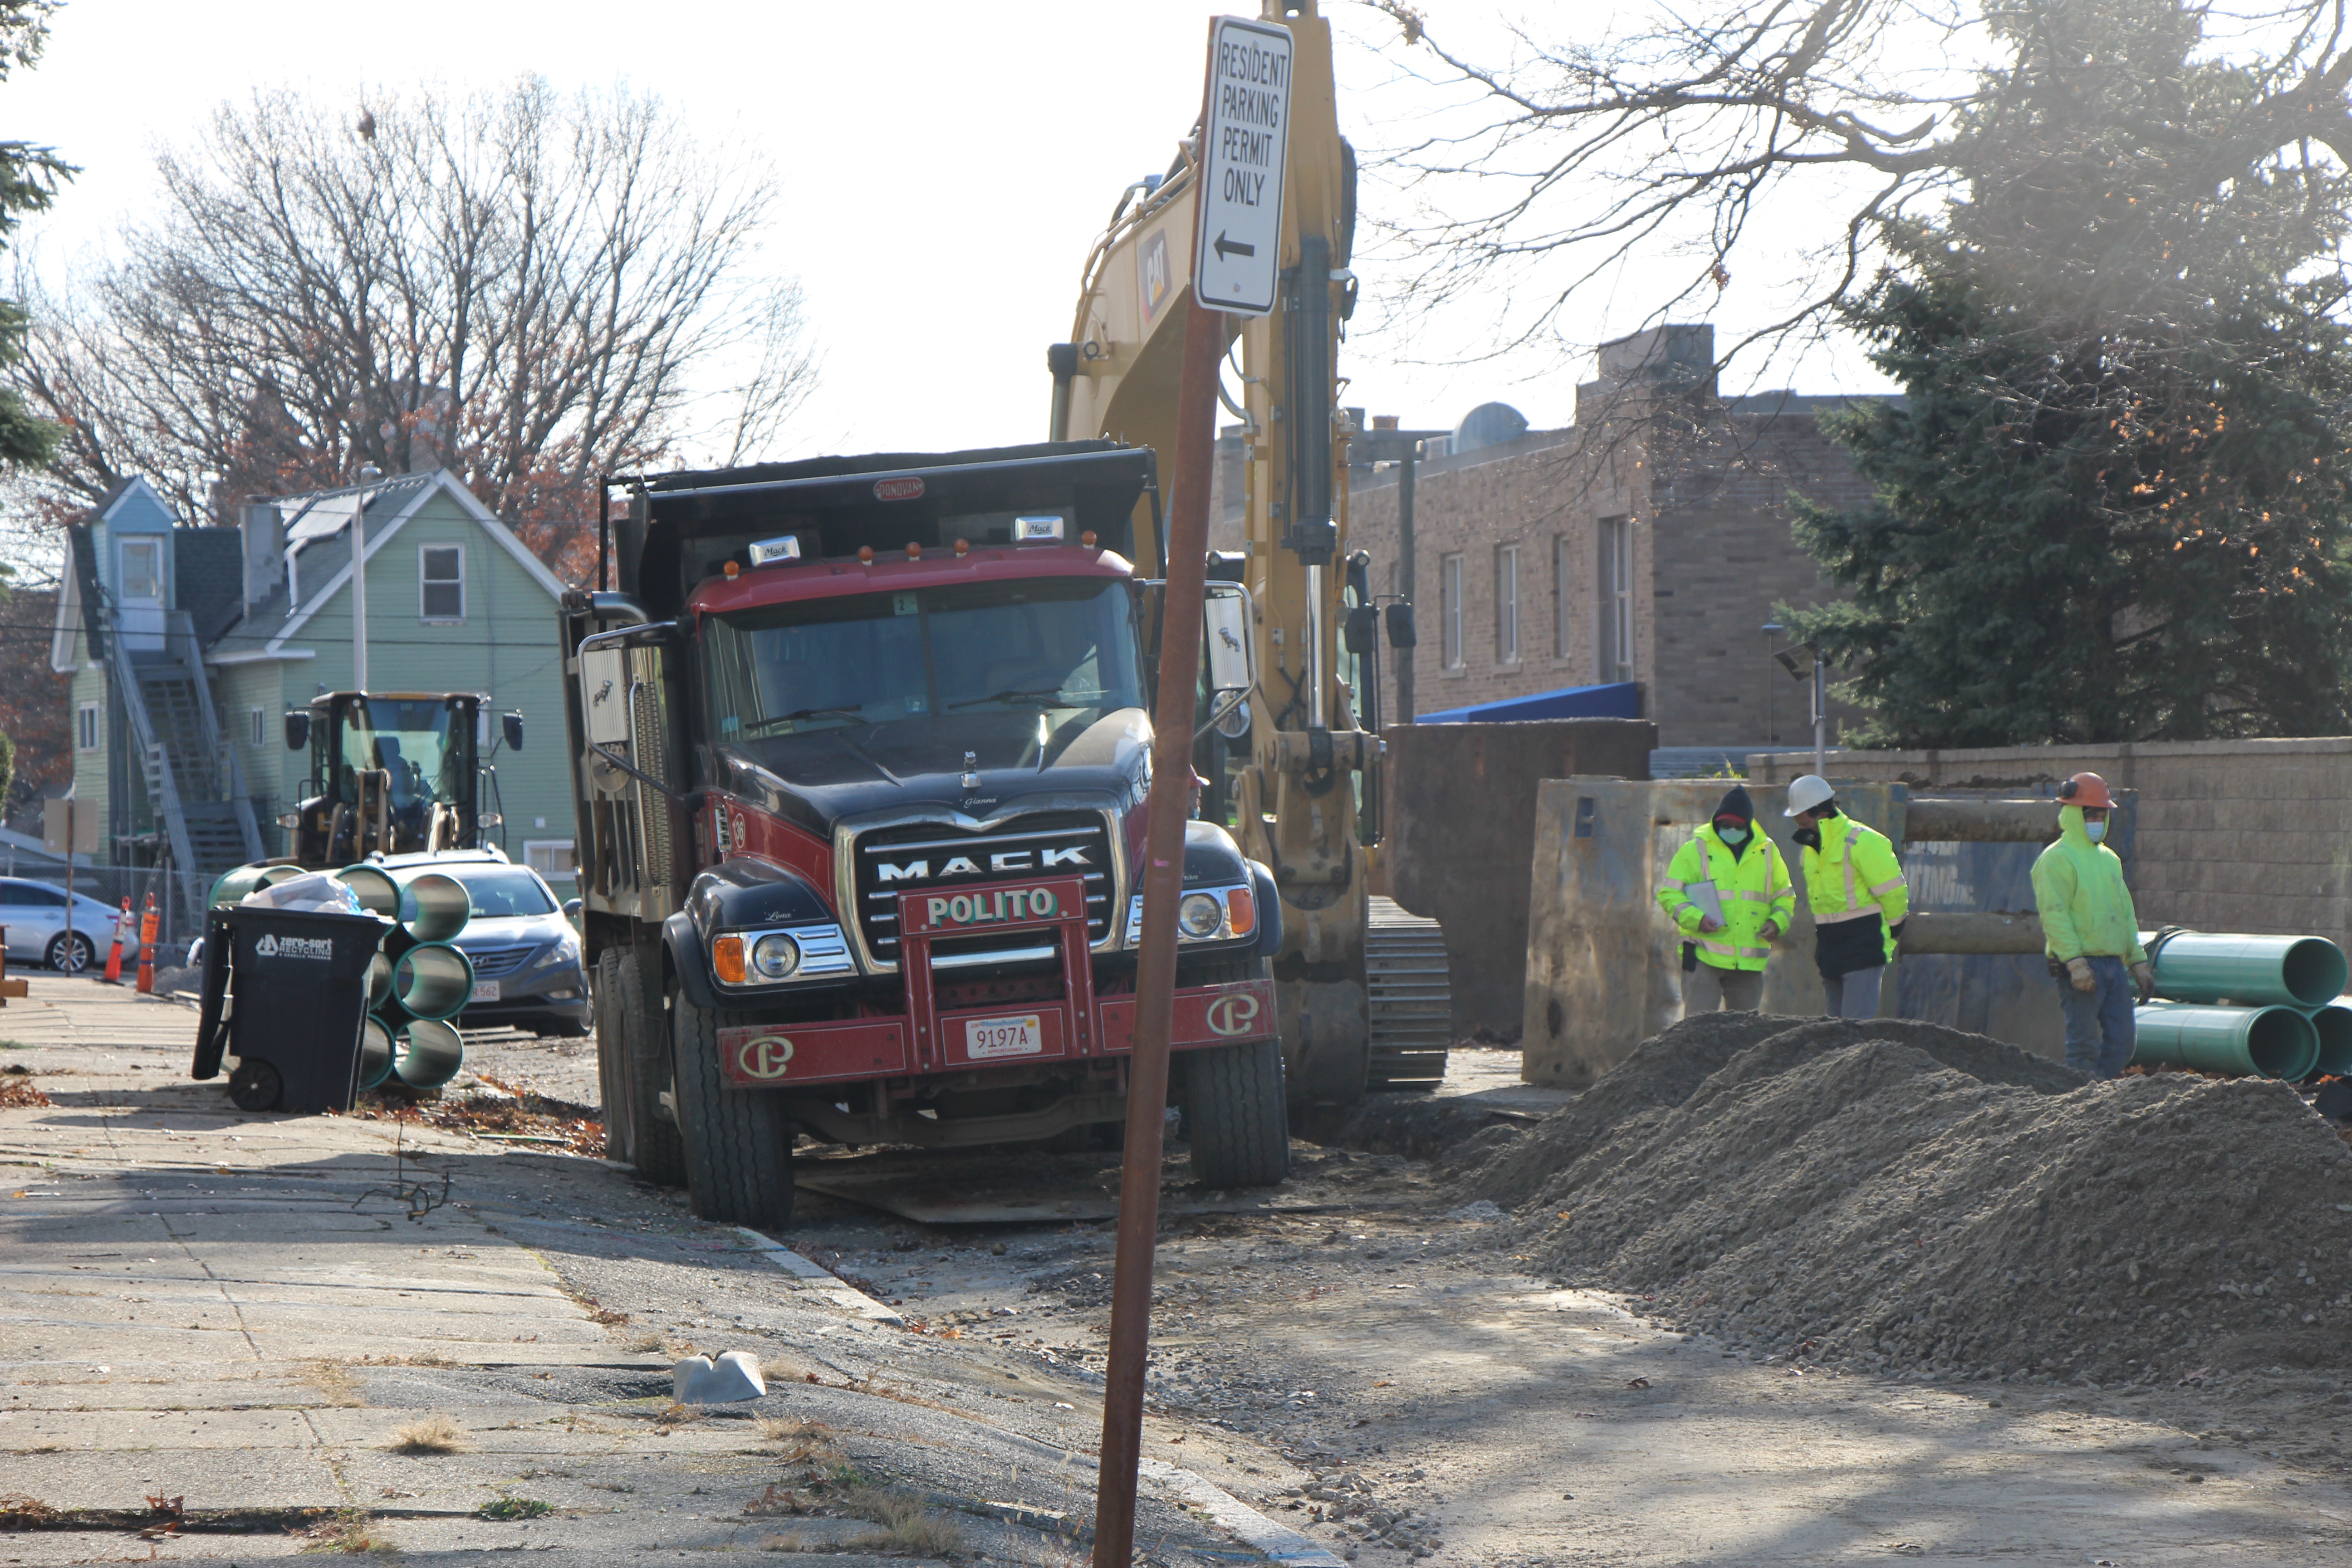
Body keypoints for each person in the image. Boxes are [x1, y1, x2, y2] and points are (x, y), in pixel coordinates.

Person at [2029, 771, 2155, 1079]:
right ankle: (2081, 1109)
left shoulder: (2109, 860)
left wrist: (2138, 962)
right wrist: (2074, 962)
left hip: (2113, 964)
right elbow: (2055, 915)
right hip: (2081, 966)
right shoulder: (2056, 860)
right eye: (2092, 814)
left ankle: (2100, 1099)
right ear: (2074, 814)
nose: (2098, 819)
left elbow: (2125, 914)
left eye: (2102, 814)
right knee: (2084, 1047)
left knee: (2123, 1045)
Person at [1658, 785, 1794, 1014]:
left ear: (1749, 826)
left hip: (1748, 961)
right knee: (1697, 1032)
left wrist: (1778, 922)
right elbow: (1670, 894)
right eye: (1726, 825)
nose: (1731, 830)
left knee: (1745, 1034)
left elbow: (1785, 896)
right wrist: (1697, 919)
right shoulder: (1696, 850)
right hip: (1703, 955)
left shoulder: (1768, 853)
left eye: (1738, 826)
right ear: (1716, 822)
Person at [1783, 774, 1909, 1018]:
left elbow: (1894, 894)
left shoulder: (1862, 841)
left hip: (1863, 942)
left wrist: (1890, 931)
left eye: (1802, 820)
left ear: (1819, 812)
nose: (1799, 825)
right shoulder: (1812, 851)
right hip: (1831, 947)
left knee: (1854, 1029)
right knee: (1834, 1029)